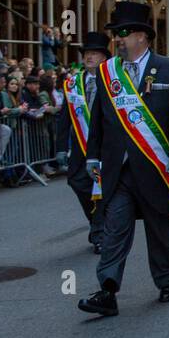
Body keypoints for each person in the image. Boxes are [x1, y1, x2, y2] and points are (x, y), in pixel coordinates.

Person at [77, 0, 169, 316]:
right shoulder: (108, 73)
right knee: (114, 227)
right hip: (119, 170)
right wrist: (92, 156)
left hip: (155, 167)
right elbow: (100, 118)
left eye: (124, 32)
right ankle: (108, 290)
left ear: (143, 36)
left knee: (159, 228)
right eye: (116, 33)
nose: (118, 39)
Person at [57, 31, 110, 252]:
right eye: (87, 53)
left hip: (105, 144)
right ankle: (97, 223)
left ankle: (100, 232)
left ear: (104, 58)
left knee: (102, 186)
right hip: (81, 142)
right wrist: (60, 147)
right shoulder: (72, 83)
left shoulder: (113, 80)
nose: (90, 57)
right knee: (77, 182)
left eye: (95, 53)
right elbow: (64, 117)